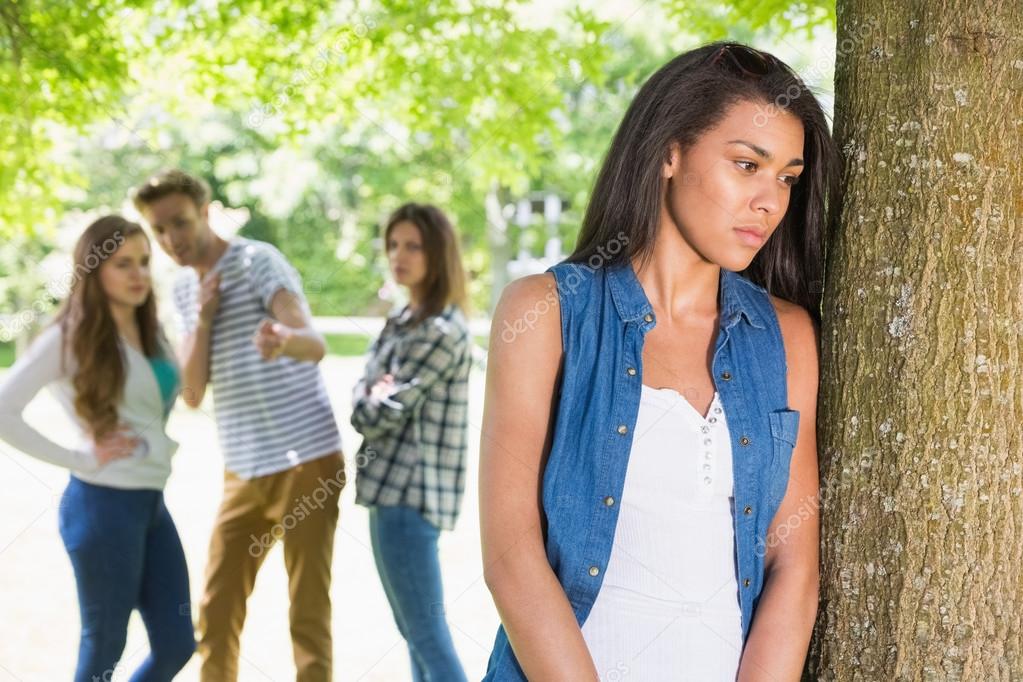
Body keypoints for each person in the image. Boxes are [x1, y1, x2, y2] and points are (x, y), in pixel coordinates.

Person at [480, 42, 839, 680]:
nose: (770, 201)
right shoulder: (545, 313)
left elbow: (793, 566)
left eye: (786, 177)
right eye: (746, 165)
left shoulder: (787, 336)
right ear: (670, 153)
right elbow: (510, 556)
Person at [133, 169, 345, 682]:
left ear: (205, 212)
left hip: (306, 461)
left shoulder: (256, 262)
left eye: (180, 223)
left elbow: (313, 343)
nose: (171, 239)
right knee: (217, 605)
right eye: (159, 230)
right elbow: (191, 393)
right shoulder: (184, 289)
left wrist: (282, 340)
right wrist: (205, 318)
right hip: (244, 468)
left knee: (307, 609)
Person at [0, 215, 195, 681]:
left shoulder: (150, 331)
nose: (138, 274)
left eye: (144, 262)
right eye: (122, 263)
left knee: (176, 643)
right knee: (106, 644)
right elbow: (4, 409)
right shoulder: (70, 336)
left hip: (150, 501)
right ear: (93, 268)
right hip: (102, 504)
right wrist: (79, 457)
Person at [351, 203, 473, 682]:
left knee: (426, 637)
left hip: (411, 497)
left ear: (437, 254)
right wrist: (373, 390)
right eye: (394, 245)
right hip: (388, 493)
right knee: (415, 634)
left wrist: (374, 392)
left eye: (413, 246)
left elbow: (373, 413)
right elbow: (366, 393)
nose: (398, 256)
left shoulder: (440, 331)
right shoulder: (402, 319)